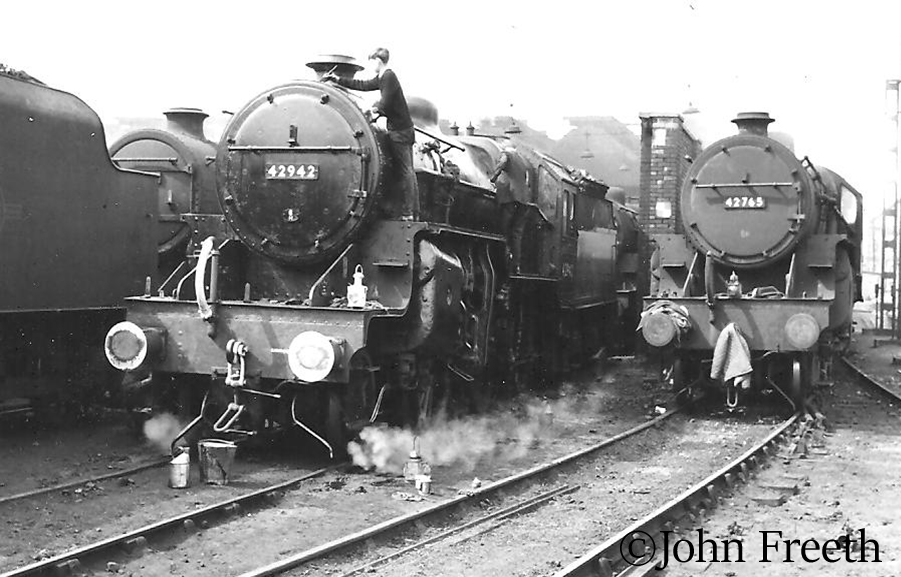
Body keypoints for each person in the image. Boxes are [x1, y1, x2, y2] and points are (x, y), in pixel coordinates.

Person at [323, 48, 418, 220]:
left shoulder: (389, 76)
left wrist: (373, 110)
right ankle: (409, 211)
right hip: (397, 129)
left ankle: (408, 212)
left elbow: (386, 102)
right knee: (405, 170)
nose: (370, 65)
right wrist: (338, 80)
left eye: (371, 61)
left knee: (405, 171)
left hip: (401, 131)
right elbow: (363, 85)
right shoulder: (383, 77)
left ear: (378, 60)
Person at [489, 146, 532, 273]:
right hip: (523, 199)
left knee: (503, 230)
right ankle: (515, 265)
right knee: (517, 234)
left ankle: (502, 262)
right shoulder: (522, 161)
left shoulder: (506, 154)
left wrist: (492, 179)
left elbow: (502, 163)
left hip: (510, 197)